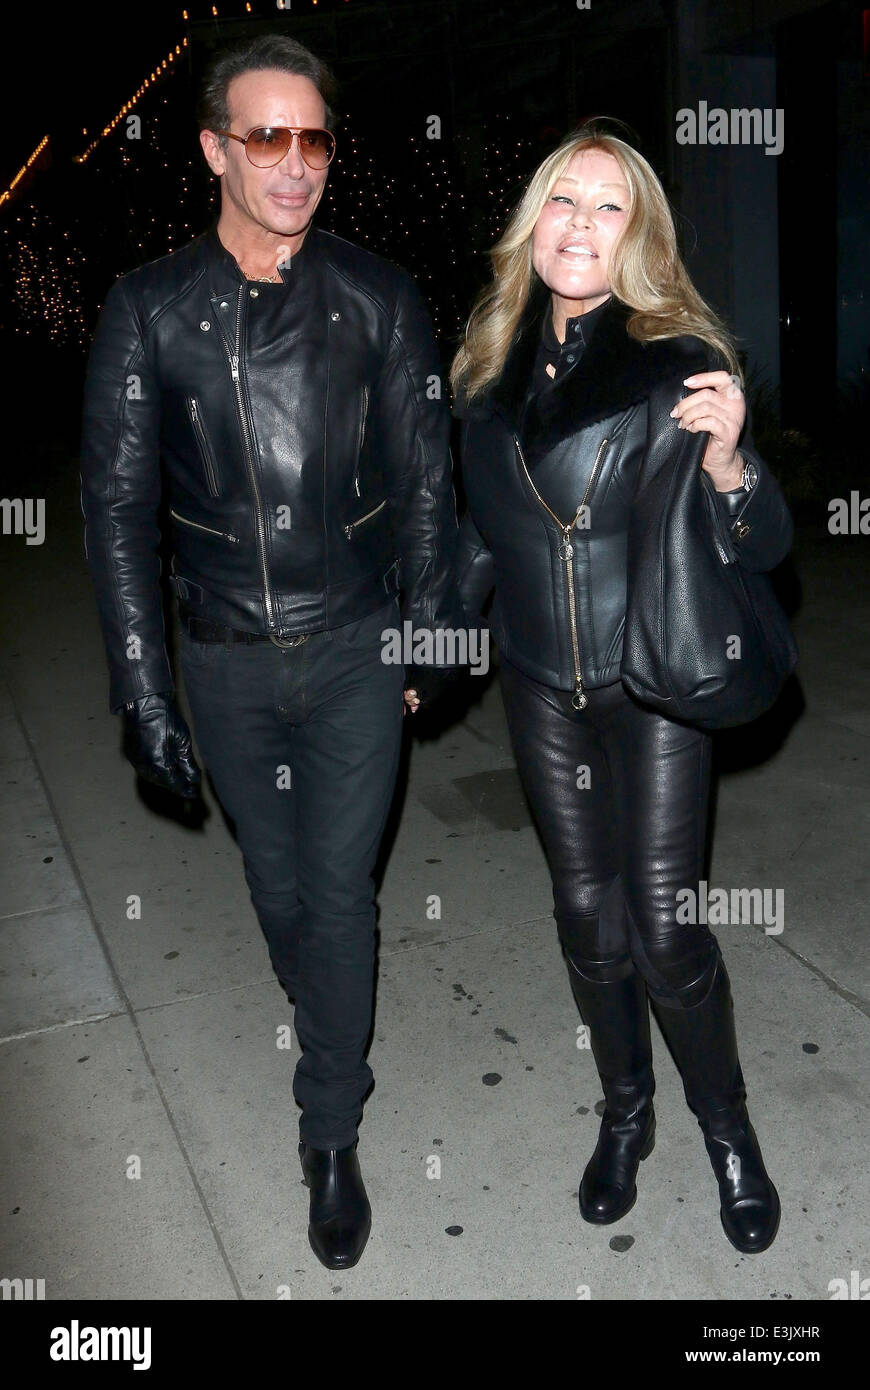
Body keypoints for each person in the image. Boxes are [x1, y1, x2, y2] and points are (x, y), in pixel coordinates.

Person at [79, 33, 462, 1271]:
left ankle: (331, 1134)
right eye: (268, 138)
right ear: (214, 148)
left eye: (315, 140)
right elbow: (117, 516)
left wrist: (428, 640)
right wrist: (144, 689)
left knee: (338, 896)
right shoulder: (149, 309)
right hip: (228, 660)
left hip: (355, 648)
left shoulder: (380, 296)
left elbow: (427, 492)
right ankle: (335, 1025)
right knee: (281, 892)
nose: (297, 165)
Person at [450, 126, 793, 1254]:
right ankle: (626, 1114)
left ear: (638, 234)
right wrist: (424, 650)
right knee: (586, 923)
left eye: (609, 206)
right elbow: (481, 543)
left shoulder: (675, 358)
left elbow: (766, 540)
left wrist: (733, 465)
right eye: (563, 201)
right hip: (543, 683)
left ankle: (728, 1129)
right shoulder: (487, 366)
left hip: (648, 684)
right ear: (531, 225)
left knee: (665, 927)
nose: (582, 224)